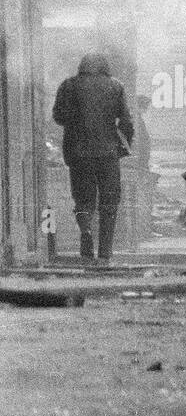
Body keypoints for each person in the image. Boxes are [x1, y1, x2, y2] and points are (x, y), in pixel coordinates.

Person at [52, 53, 134, 263]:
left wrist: (76, 122)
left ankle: (86, 230)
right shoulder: (116, 86)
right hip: (108, 153)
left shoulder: (68, 85)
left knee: (83, 199)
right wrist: (123, 147)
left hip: (78, 154)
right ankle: (105, 252)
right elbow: (126, 121)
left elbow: (58, 116)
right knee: (109, 202)